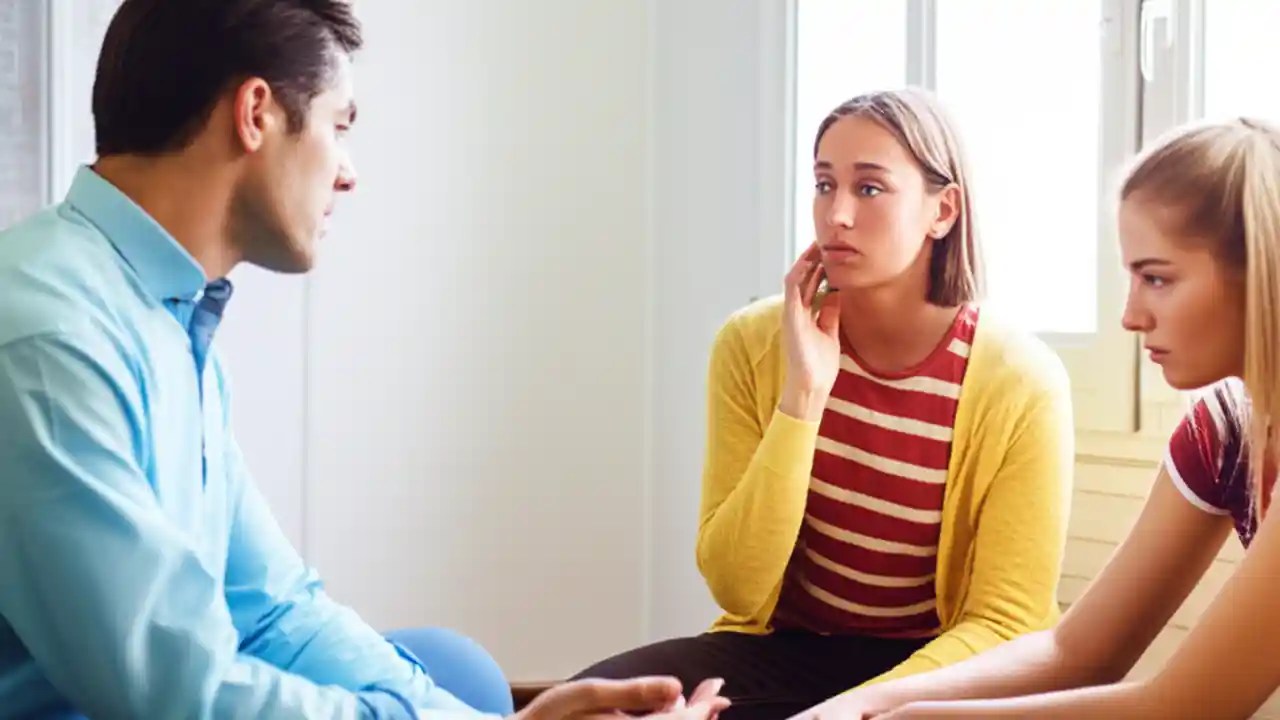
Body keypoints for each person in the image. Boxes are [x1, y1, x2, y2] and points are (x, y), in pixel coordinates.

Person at [0, 1, 727, 719]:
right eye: (338, 126)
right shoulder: (50, 342)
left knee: (459, 672)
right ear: (256, 114)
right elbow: (174, 694)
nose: (348, 174)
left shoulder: (166, 317)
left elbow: (272, 609)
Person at [571, 88, 1074, 719]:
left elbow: (1006, 623)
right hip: (788, 652)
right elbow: (737, 587)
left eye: (869, 188)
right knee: (585, 710)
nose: (837, 214)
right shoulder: (752, 344)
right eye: (824, 184)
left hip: (942, 669)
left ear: (942, 210)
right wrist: (802, 397)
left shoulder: (1022, 381)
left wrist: (851, 709)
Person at [793, 117, 1280, 719]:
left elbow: (1186, 707)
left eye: (1157, 278)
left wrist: (913, 718)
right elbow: (1076, 652)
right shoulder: (1223, 433)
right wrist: (861, 705)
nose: (1131, 316)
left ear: (1262, 272)